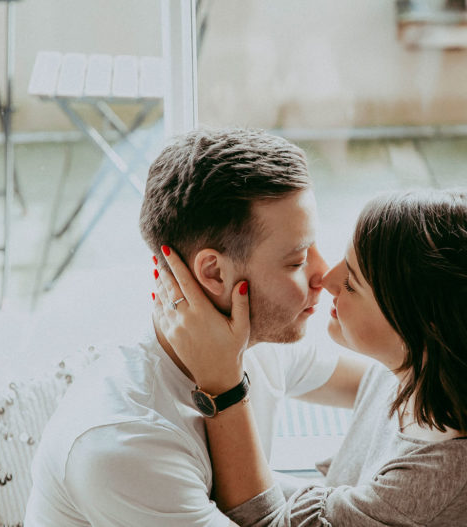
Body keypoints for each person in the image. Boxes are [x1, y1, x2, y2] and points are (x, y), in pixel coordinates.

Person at [154, 189, 467, 526]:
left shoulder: (438, 482)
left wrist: (223, 385)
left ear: (420, 324)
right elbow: (332, 483)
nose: (327, 278)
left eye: (352, 283)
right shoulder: (422, 375)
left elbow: (263, 522)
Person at [24, 128, 367, 527]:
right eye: (296, 261)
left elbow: (387, 386)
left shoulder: (259, 340)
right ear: (214, 272)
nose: (323, 275)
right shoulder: (127, 444)